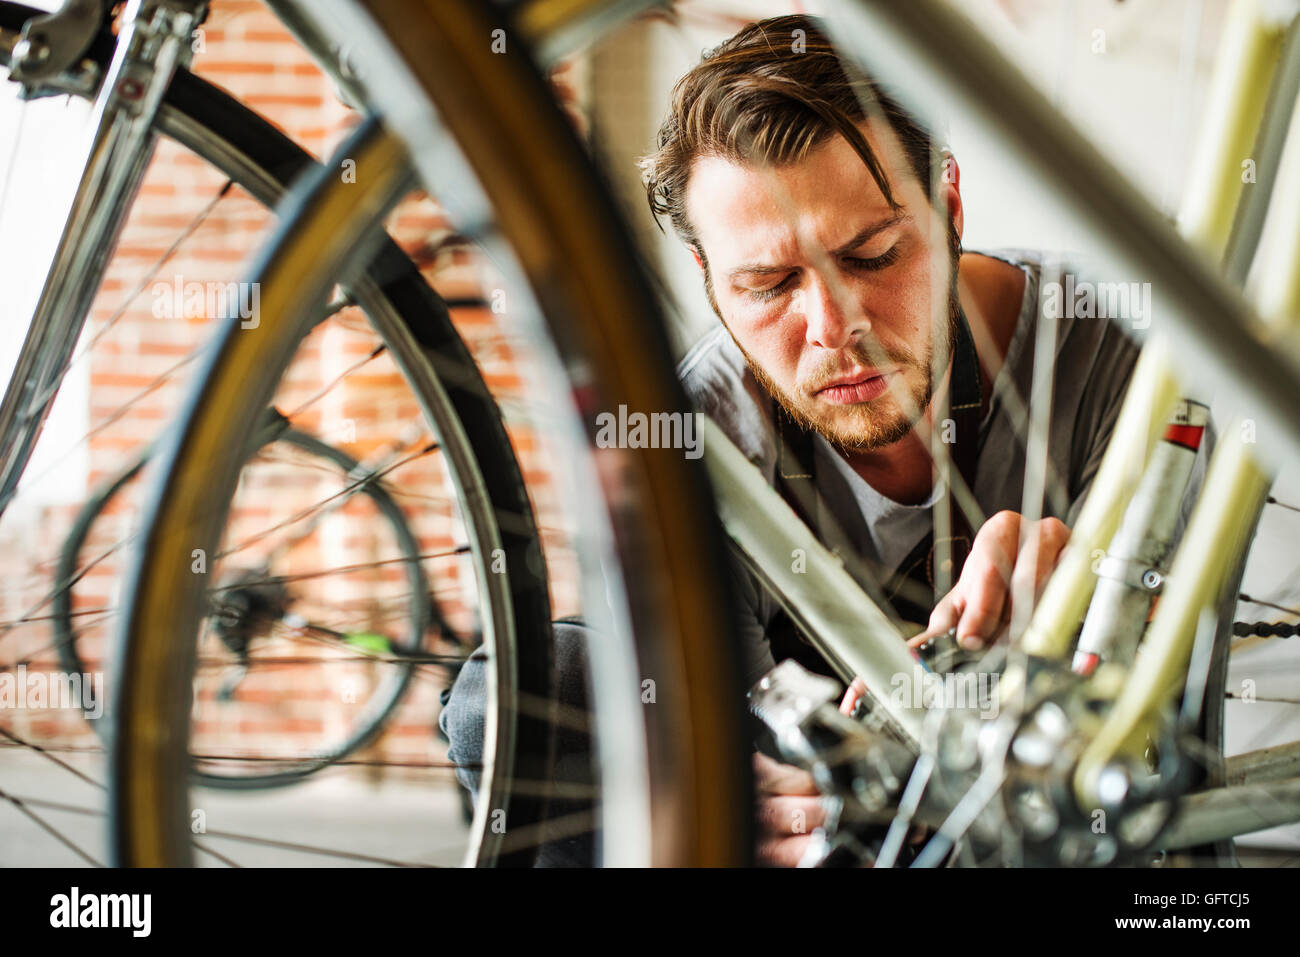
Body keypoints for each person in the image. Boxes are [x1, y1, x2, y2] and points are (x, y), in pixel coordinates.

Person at [440, 12, 1208, 867]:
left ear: (950, 207)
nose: (833, 327)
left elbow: (1162, 671)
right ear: (710, 282)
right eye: (768, 285)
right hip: (836, 775)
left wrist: (1090, 582)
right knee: (519, 698)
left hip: (1047, 780)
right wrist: (735, 790)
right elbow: (713, 705)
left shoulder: (1114, 349)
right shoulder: (697, 434)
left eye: (876, 255)